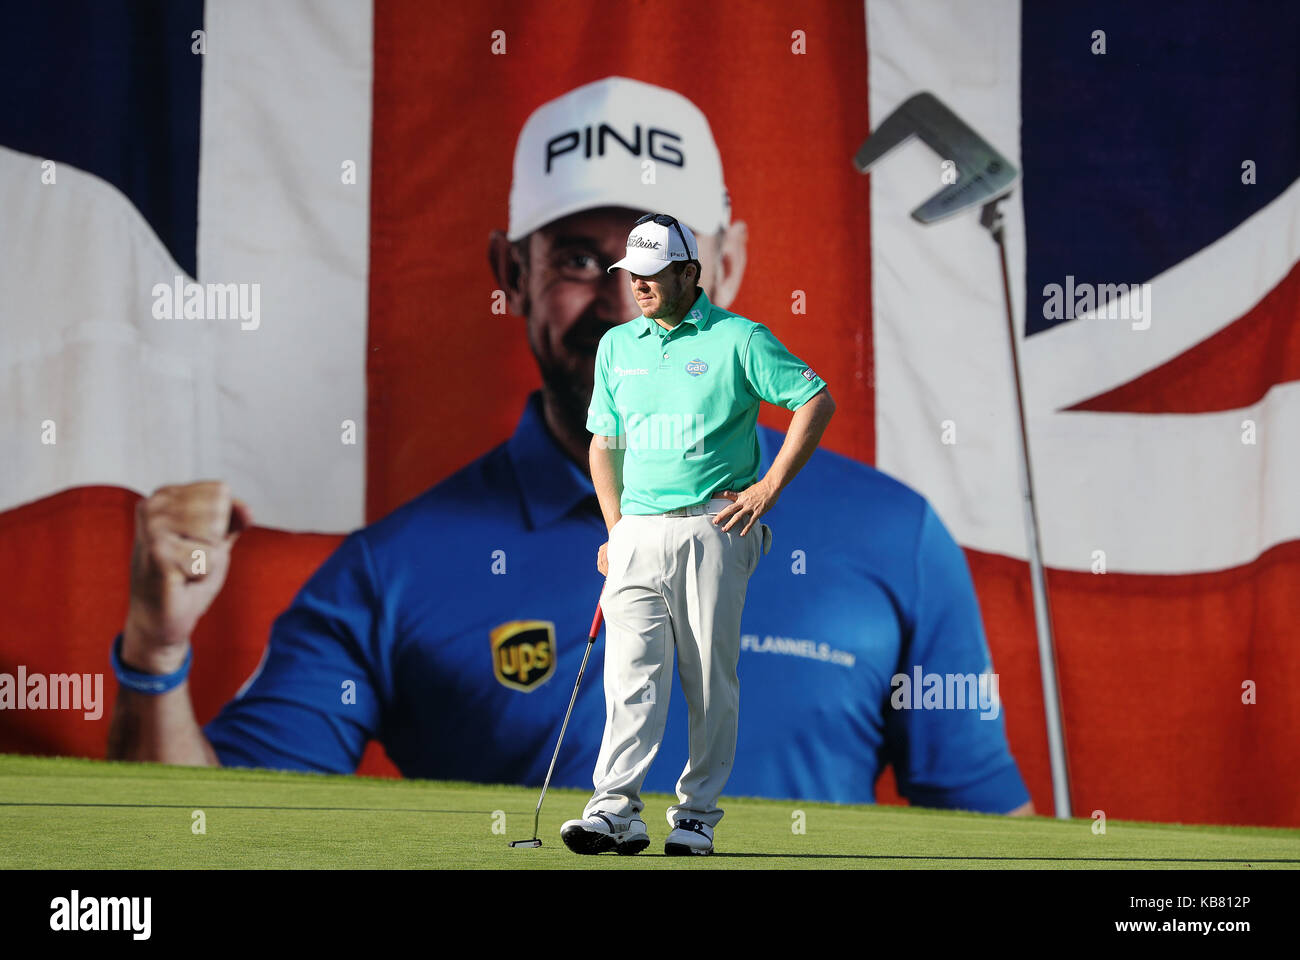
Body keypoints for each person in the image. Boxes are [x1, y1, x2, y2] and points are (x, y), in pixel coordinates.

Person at [107, 77, 1034, 822]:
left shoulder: (892, 535)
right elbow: (204, 840)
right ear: (512, 274)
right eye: (582, 260)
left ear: (731, 266)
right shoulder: (390, 573)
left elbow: (990, 839)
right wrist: (156, 649)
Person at [558, 213, 835, 857]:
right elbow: (605, 445)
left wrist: (767, 489)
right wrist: (615, 528)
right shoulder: (616, 346)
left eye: (655, 275)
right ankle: (615, 810)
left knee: (708, 678)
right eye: (633, 275)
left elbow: (813, 398)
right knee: (629, 677)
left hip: (714, 525)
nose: (641, 286)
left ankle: (696, 816)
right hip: (636, 534)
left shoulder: (740, 338)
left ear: (691, 272)